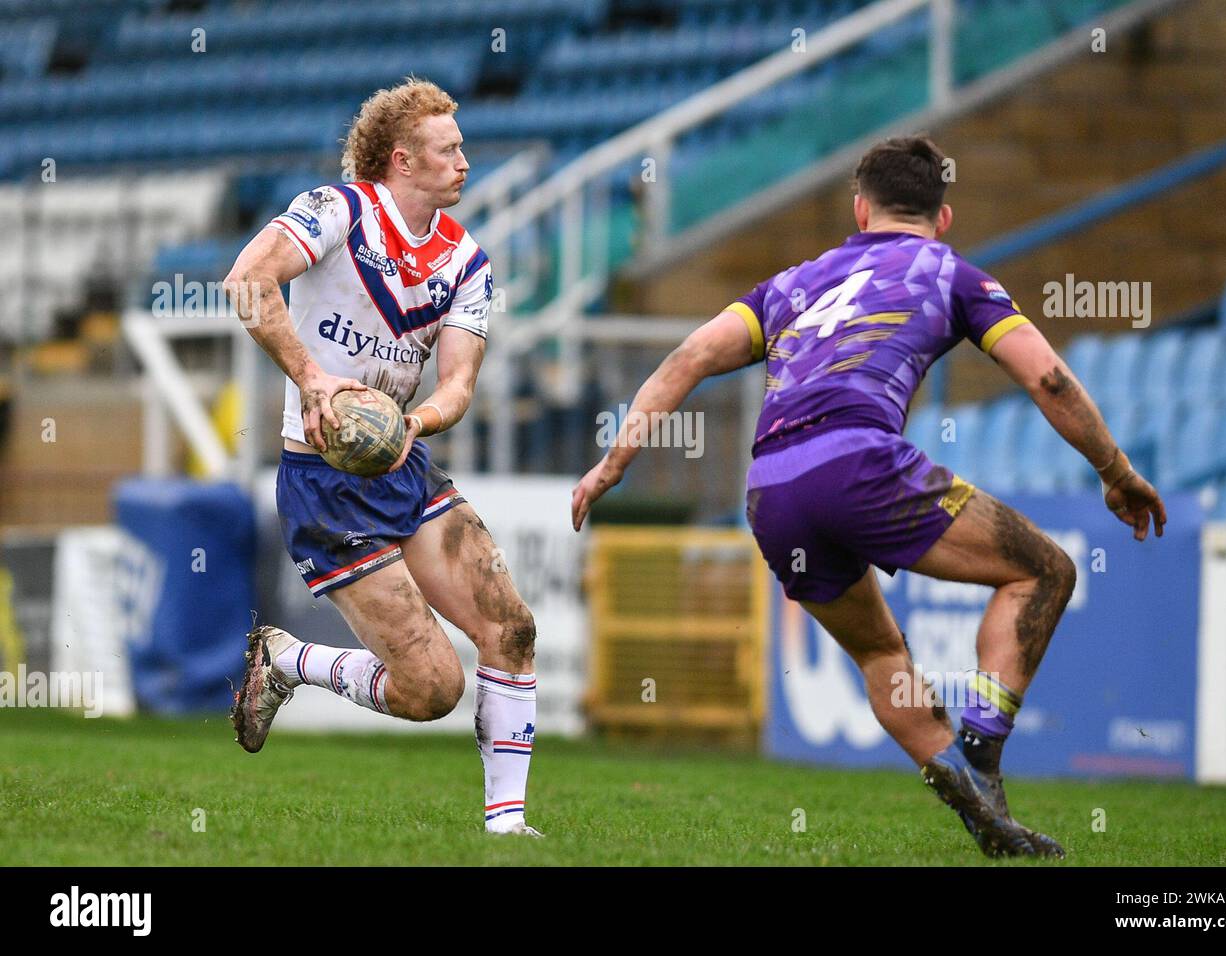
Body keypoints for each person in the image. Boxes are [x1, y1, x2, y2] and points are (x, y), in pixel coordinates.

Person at [570, 135, 1166, 857]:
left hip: (771, 491)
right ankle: (980, 746)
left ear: (860, 210)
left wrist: (614, 461)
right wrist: (1114, 469)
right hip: (858, 462)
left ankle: (987, 814)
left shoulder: (795, 282)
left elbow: (690, 356)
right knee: (1045, 570)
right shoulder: (953, 275)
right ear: (942, 217)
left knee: (882, 653)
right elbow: (1048, 379)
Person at [223, 79, 540, 837]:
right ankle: (290, 659)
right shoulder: (339, 211)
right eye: (448, 149)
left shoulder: (467, 260)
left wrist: (412, 422)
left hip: (401, 462)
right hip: (325, 483)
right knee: (432, 690)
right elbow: (245, 282)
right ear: (402, 160)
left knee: (513, 629)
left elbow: (459, 382)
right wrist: (311, 377)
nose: (464, 162)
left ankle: (507, 827)